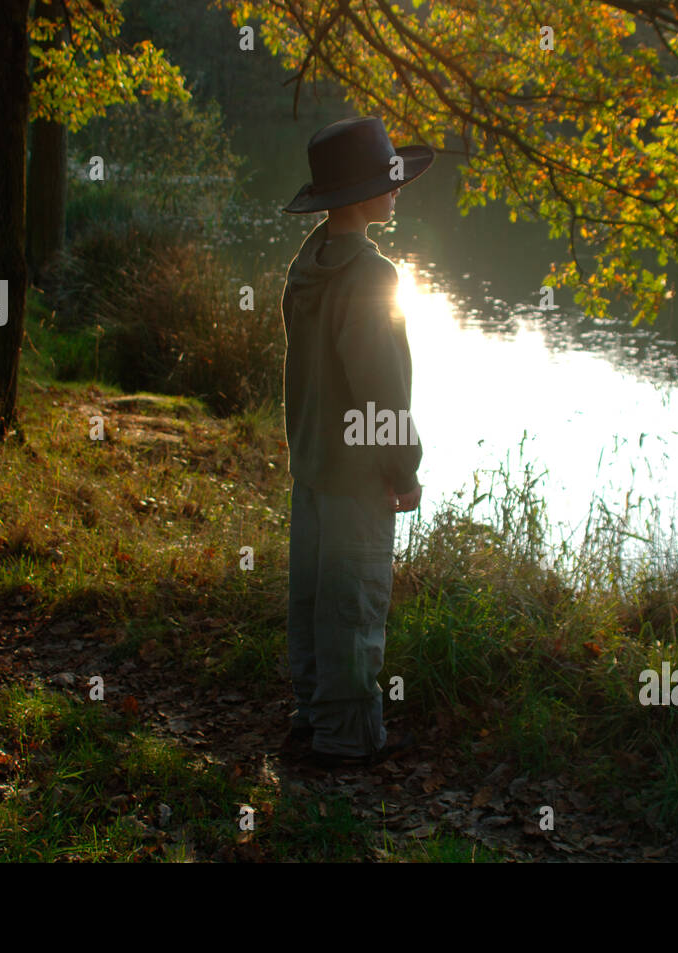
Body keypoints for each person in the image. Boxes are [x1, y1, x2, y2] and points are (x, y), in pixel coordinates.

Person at [278, 116, 433, 768]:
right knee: (355, 601)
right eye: (385, 179)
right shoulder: (371, 275)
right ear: (358, 195)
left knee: (315, 598)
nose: (396, 188)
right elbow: (382, 390)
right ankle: (346, 742)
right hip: (355, 473)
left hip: (313, 464)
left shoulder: (308, 261)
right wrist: (405, 467)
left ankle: (311, 718)